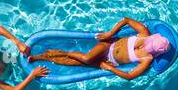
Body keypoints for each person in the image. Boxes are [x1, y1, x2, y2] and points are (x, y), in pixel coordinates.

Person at [29, 18, 170, 81]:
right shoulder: (145, 33)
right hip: (108, 45)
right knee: (86, 58)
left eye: (148, 48)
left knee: (69, 63)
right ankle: (65, 52)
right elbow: (126, 20)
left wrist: (110, 69)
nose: (144, 46)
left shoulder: (147, 59)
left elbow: (129, 77)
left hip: (109, 62)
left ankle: (40, 57)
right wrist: (110, 33)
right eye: (148, 43)